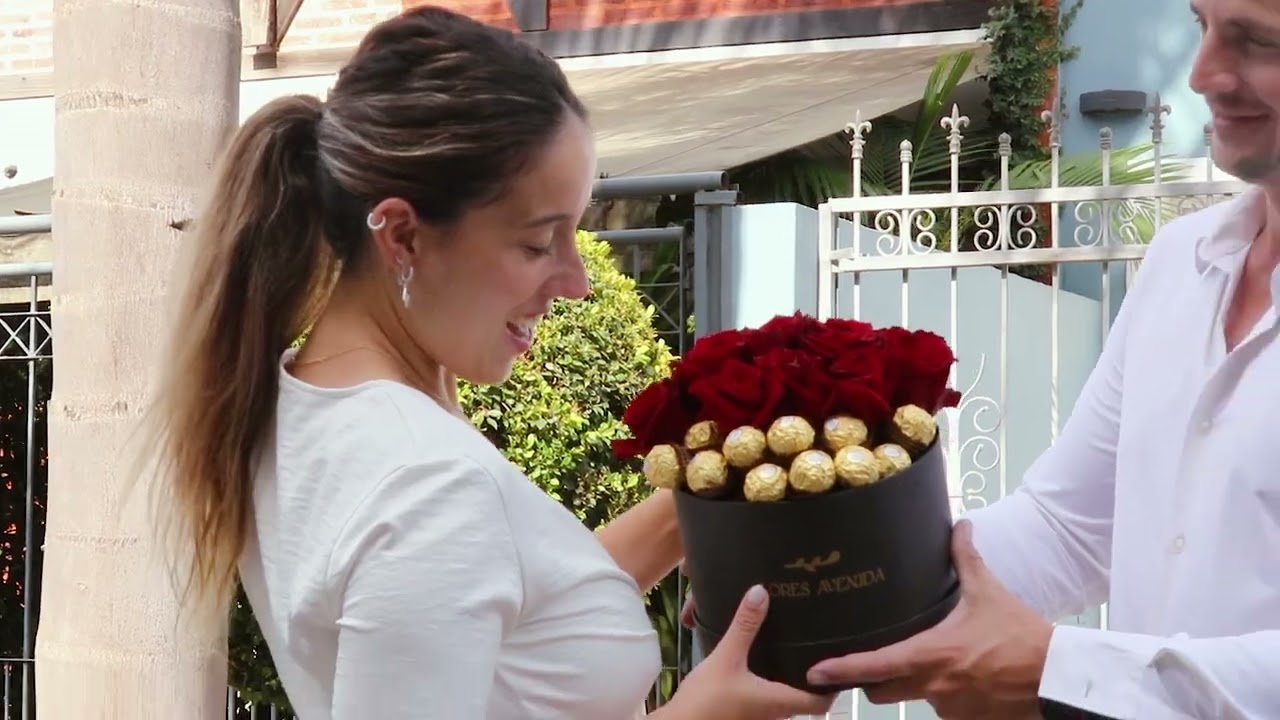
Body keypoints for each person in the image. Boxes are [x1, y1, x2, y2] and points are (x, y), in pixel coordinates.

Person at [141, 6, 835, 719]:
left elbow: (508, 614)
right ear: (403, 235)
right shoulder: (423, 484)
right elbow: (440, 545)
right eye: (538, 244)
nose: (576, 280)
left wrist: (692, 510)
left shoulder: (312, 394)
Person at [796, 0, 1280, 717]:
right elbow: (1070, 529)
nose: (1204, 73)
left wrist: (1059, 671)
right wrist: (838, 580)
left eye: (1257, 41)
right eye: (1201, 25)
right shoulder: (1183, 260)